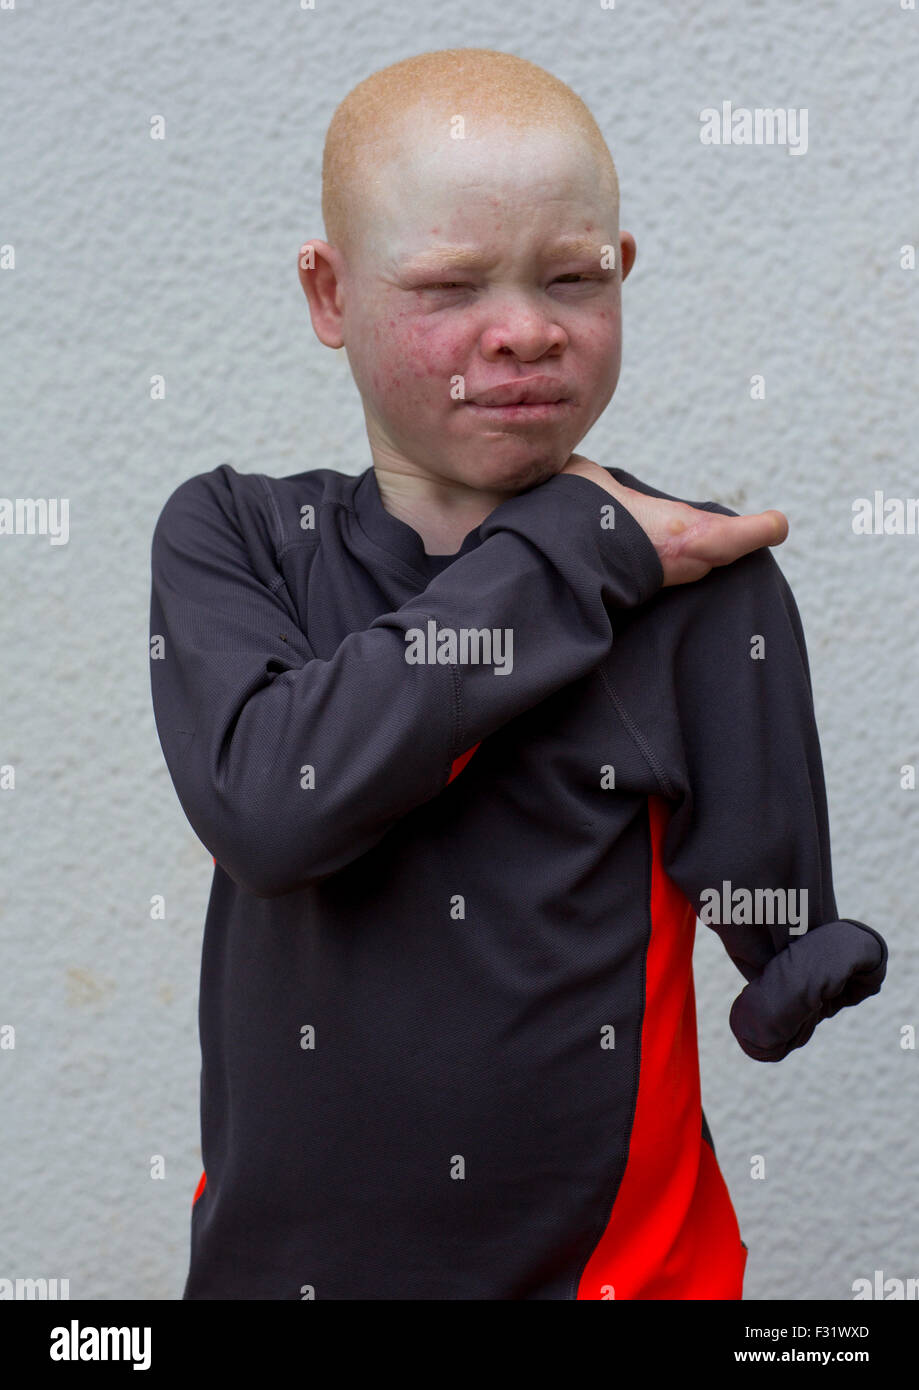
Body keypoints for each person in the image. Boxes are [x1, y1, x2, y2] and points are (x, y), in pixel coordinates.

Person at [149, 49, 887, 1300]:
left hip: (626, 1278)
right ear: (329, 294)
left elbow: (777, 927)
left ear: (624, 274)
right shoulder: (237, 537)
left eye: (572, 278)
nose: (527, 328)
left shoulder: (700, 580)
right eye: (448, 282)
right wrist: (566, 549)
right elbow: (271, 808)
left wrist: (795, 958)